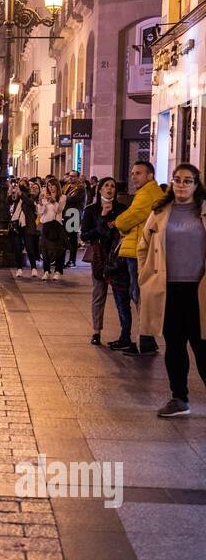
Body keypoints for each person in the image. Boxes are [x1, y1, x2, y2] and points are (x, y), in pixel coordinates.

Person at [138, 163, 206, 418]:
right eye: (177, 180)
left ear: (196, 185)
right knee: (174, 345)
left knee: (203, 347)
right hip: (167, 290)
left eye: (187, 181)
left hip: (199, 291)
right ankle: (179, 398)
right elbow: (143, 246)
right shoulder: (160, 212)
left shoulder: (203, 211)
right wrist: (145, 276)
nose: (180, 185)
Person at [112, 159, 163, 356]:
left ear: (150, 176)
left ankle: (146, 342)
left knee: (139, 295)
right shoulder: (148, 192)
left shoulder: (147, 193)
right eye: (132, 173)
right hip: (139, 249)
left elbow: (128, 218)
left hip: (138, 251)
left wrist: (119, 222)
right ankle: (147, 340)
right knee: (138, 295)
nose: (133, 176)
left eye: (138, 173)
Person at [80, 176, 132, 347]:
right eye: (106, 186)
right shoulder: (91, 210)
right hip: (100, 256)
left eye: (113, 186)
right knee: (98, 293)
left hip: (118, 257)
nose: (110, 189)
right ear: (100, 189)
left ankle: (125, 334)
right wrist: (103, 219)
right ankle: (96, 331)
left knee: (122, 297)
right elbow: (85, 235)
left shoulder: (122, 208)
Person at [38, 175, 67, 279]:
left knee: (58, 249)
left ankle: (58, 271)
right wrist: (41, 203)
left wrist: (54, 201)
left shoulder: (62, 197)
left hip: (56, 225)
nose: (51, 187)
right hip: (46, 225)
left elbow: (59, 210)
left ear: (57, 186)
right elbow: (41, 212)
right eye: (49, 185)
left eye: (53, 185)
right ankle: (46, 271)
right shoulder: (45, 196)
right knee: (45, 249)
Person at [12, 178, 41, 277]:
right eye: (32, 187)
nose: (34, 189)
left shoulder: (31, 197)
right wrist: (12, 192)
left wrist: (21, 194)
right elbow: (10, 201)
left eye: (36, 188)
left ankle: (33, 268)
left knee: (29, 247)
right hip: (16, 224)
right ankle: (19, 268)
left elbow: (29, 203)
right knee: (17, 247)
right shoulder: (20, 196)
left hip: (28, 225)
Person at [64, 172, 86, 267]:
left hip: (74, 214)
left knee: (72, 238)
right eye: (70, 176)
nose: (70, 178)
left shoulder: (80, 188)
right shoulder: (68, 187)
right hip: (67, 214)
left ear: (78, 178)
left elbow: (72, 199)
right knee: (66, 237)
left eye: (73, 176)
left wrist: (63, 197)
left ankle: (72, 260)